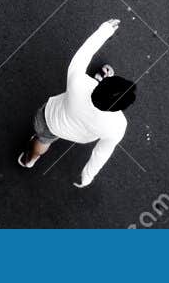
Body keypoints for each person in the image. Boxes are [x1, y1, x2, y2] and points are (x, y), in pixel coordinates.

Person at [18, 17, 135, 187]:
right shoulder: (118, 126)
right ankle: (103, 83)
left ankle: (30, 159)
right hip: (76, 134)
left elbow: (84, 53)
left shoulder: (78, 82)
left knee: (42, 140)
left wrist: (105, 30)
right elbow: (101, 154)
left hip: (49, 120)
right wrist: (87, 176)